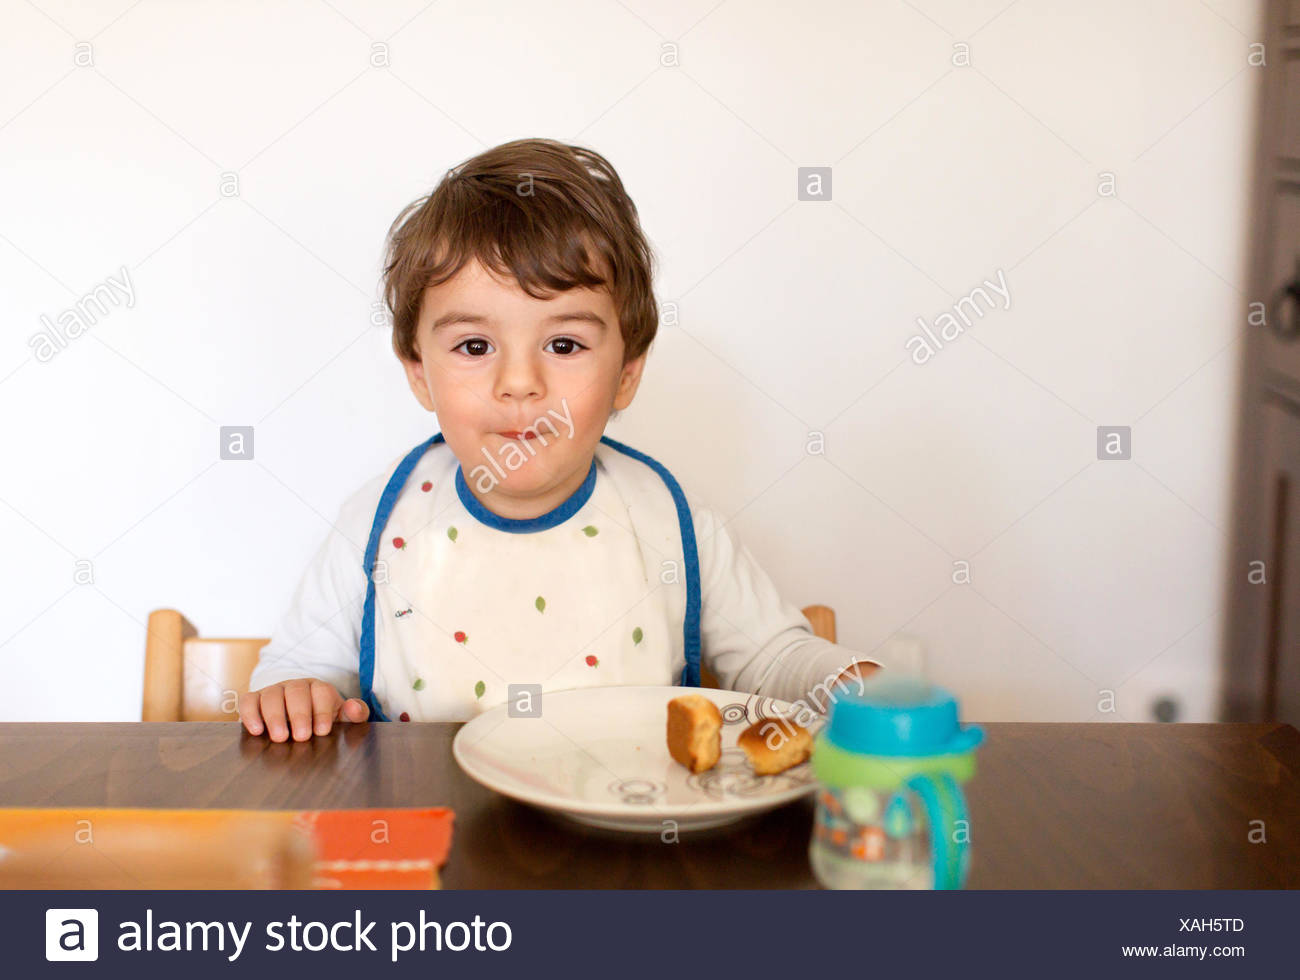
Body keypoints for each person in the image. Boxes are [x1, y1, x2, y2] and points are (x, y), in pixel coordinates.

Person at [239, 138, 881, 742]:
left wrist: (848, 685)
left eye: (565, 344)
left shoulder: (670, 522)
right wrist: (296, 693)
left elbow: (776, 658)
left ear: (626, 374)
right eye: (474, 346)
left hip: (627, 845)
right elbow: (297, 665)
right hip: (438, 839)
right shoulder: (379, 525)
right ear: (419, 373)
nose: (520, 384)